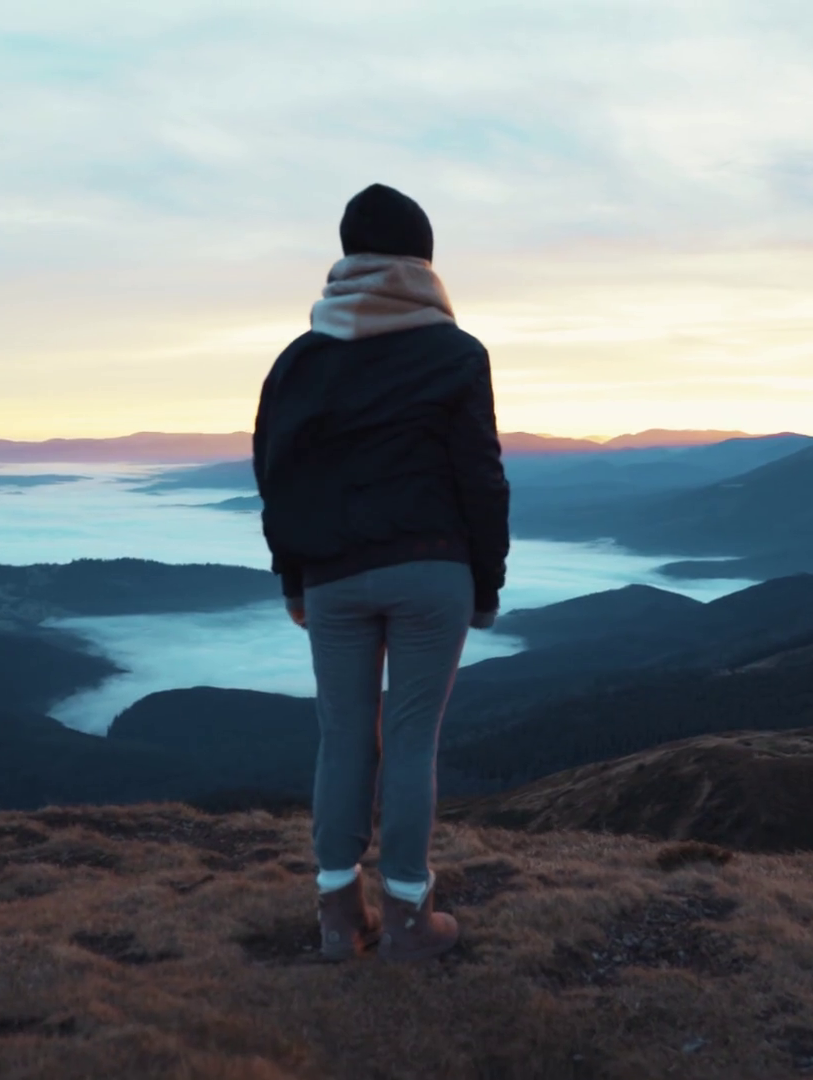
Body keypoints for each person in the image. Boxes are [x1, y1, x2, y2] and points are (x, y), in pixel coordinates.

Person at [252, 183, 510, 963]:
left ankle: (338, 920)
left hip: (332, 577)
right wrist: (488, 584)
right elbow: (481, 477)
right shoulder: (457, 355)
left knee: (342, 739)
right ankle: (406, 920)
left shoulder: (299, 362)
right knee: (410, 743)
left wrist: (294, 578)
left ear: (347, 262)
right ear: (422, 262)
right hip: (433, 572)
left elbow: (277, 474)